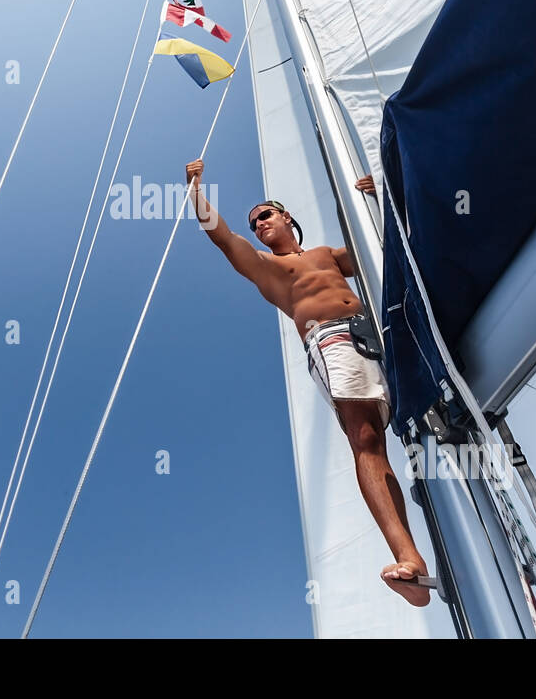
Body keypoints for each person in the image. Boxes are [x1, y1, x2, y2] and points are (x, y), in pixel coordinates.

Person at [184, 160, 430, 607]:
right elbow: (221, 236)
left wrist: (381, 199)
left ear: (287, 219)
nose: (258, 224)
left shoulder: (326, 255)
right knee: (366, 438)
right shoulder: (264, 268)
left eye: (265, 215)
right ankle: (408, 557)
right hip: (331, 341)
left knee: (428, 418)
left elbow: (383, 246)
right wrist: (195, 190)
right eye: (254, 221)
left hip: (381, 332)